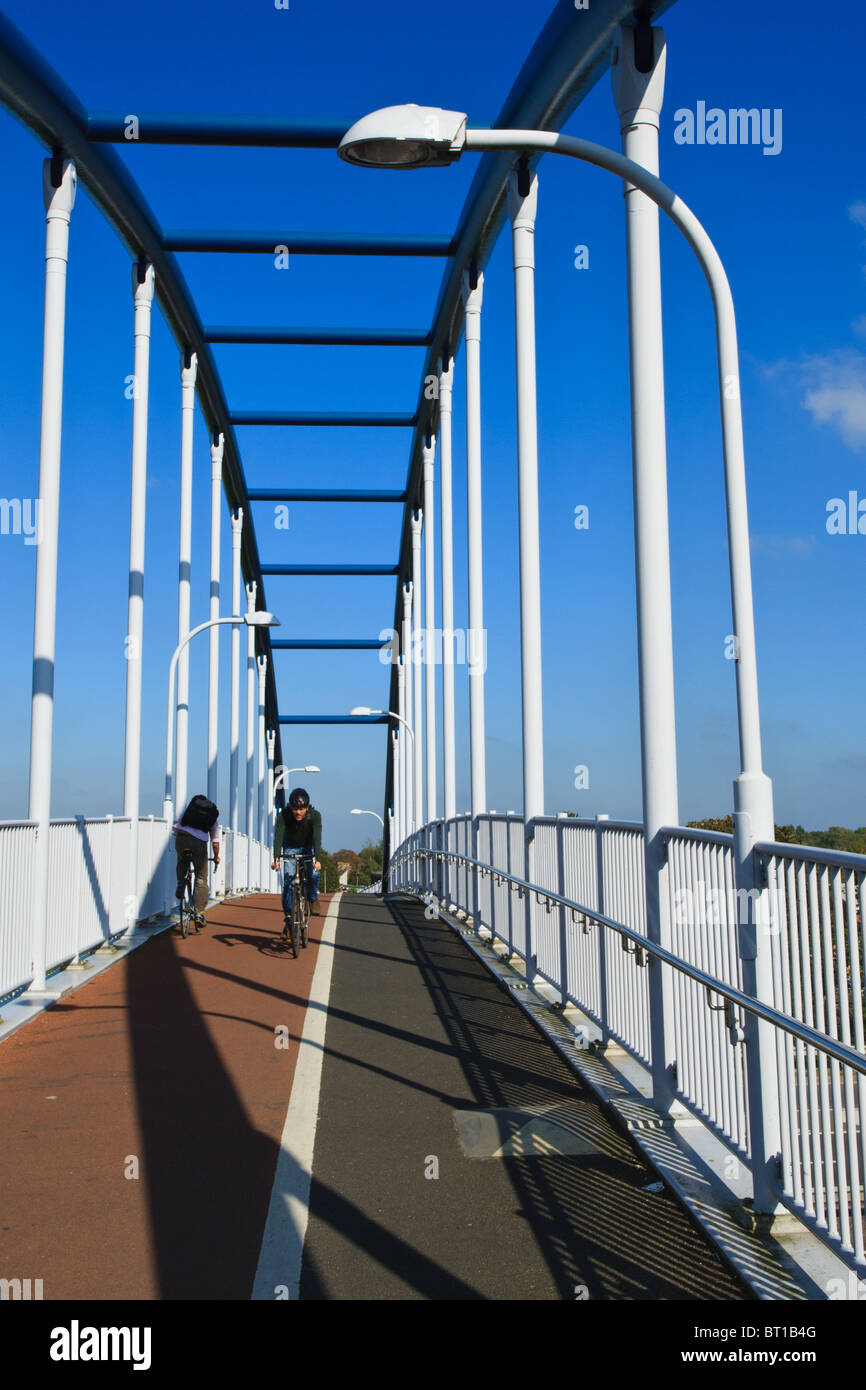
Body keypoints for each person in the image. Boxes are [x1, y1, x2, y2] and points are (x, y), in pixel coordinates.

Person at [272, 787, 322, 921]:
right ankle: (288, 918)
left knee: (315, 873)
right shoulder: (283, 816)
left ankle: (312, 898)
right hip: (290, 847)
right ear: (290, 807)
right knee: (288, 882)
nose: (298, 812)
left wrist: (317, 859)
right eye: (295, 809)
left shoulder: (315, 816)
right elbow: (278, 837)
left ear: (307, 807)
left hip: (307, 847)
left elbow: (317, 838)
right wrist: (276, 858)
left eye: (301, 809)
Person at [173, 794, 220, 928]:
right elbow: (215, 842)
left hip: (181, 838)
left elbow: (178, 825)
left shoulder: (189, 810)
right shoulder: (211, 816)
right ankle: (199, 913)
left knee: (181, 859)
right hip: (199, 843)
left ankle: (180, 883)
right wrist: (216, 857)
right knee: (200, 877)